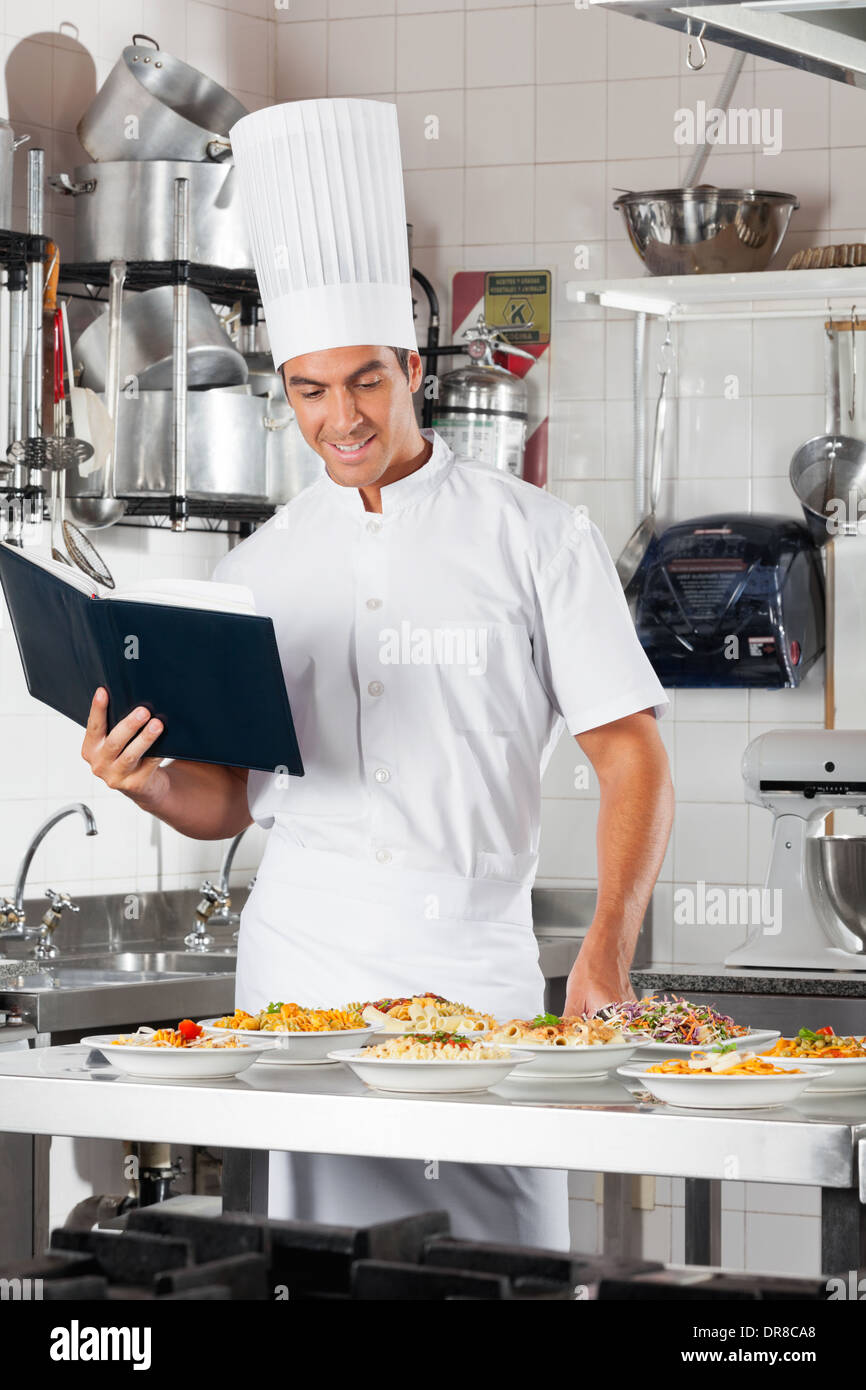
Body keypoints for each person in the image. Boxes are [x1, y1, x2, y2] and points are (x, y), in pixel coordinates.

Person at [81, 97, 674, 1250]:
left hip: (478, 983)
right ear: (284, 393)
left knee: (499, 1273)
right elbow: (228, 800)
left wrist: (605, 943)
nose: (338, 418)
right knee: (322, 1277)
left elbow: (630, 752)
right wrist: (139, 778)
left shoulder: (535, 536)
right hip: (300, 984)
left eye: (363, 382)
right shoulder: (258, 565)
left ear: (412, 368)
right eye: (308, 390)